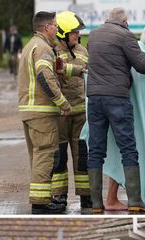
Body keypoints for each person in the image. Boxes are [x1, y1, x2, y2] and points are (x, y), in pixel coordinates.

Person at [80, 28, 145, 211]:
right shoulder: (141, 54)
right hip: (126, 110)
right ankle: (135, 200)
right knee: (129, 152)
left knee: (101, 152)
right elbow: (143, 81)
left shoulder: (98, 42)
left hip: (99, 102)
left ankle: (98, 203)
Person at [18, 11, 72, 214]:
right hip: (42, 112)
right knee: (45, 155)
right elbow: (45, 78)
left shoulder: (32, 45)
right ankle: (41, 204)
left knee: (38, 155)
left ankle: (43, 199)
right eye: (56, 26)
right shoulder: (42, 48)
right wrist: (62, 103)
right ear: (47, 27)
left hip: (30, 111)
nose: (57, 29)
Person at [52, 11, 91, 211]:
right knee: (59, 157)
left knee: (82, 156)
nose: (78, 35)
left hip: (80, 112)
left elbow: (82, 66)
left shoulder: (82, 50)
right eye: (74, 32)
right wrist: (70, 68)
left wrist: (65, 68)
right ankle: (59, 197)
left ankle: (87, 196)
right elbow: (53, 70)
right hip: (60, 113)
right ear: (62, 33)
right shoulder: (51, 51)